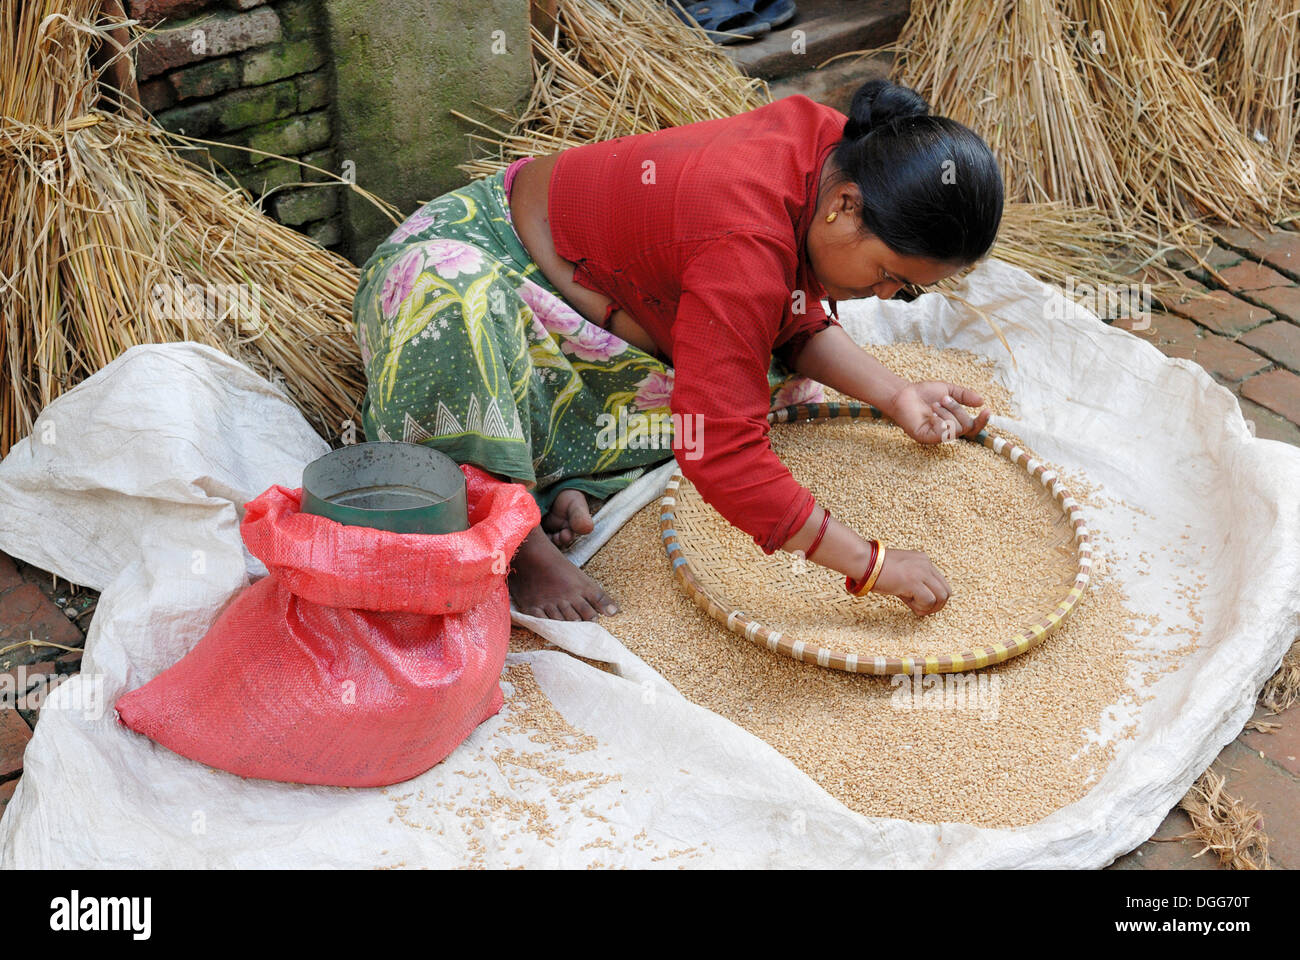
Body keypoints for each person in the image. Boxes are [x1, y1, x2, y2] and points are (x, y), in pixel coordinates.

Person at [351, 79, 1004, 623]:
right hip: (486, 260)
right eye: (888, 274)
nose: (883, 296)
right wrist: (872, 564)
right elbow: (721, 449)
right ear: (845, 207)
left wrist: (895, 393)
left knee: (762, 385)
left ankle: (554, 475)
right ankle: (518, 542)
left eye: (907, 292)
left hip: (614, 305)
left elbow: (783, 309)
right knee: (451, 311)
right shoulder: (744, 240)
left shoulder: (851, 152)